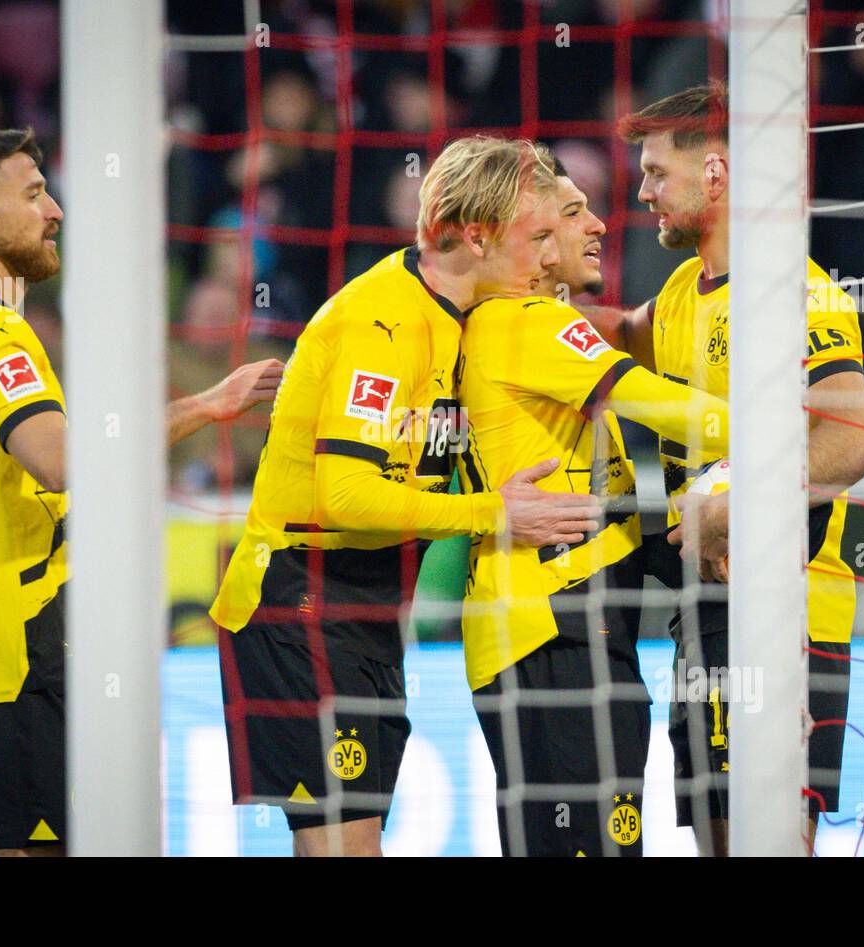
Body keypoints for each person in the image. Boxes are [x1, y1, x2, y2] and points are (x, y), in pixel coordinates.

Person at [0, 128, 283, 857]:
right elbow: (64, 462)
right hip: (17, 647)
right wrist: (204, 406)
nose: (56, 211)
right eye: (33, 194)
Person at [210, 136, 604, 857]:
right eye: (536, 236)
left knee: (356, 841)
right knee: (344, 847)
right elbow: (347, 494)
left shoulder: (465, 317)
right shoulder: (382, 323)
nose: (550, 256)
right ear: (478, 236)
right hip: (299, 596)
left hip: (367, 599)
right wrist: (495, 514)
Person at [592, 81, 864, 855]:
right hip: (707, 612)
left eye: (656, 173)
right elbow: (616, 333)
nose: (643, 191)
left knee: (777, 841)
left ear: (716, 175)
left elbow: (854, 438)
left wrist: (733, 510)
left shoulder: (794, 289)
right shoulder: (687, 290)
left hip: (785, 616)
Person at [458, 157, 731, 856]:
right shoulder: (530, 324)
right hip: (557, 632)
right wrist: (799, 423)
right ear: (537, 239)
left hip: (545, 628)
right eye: (574, 210)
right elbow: (671, 408)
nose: (600, 223)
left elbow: (600, 493)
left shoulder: (519, 327)